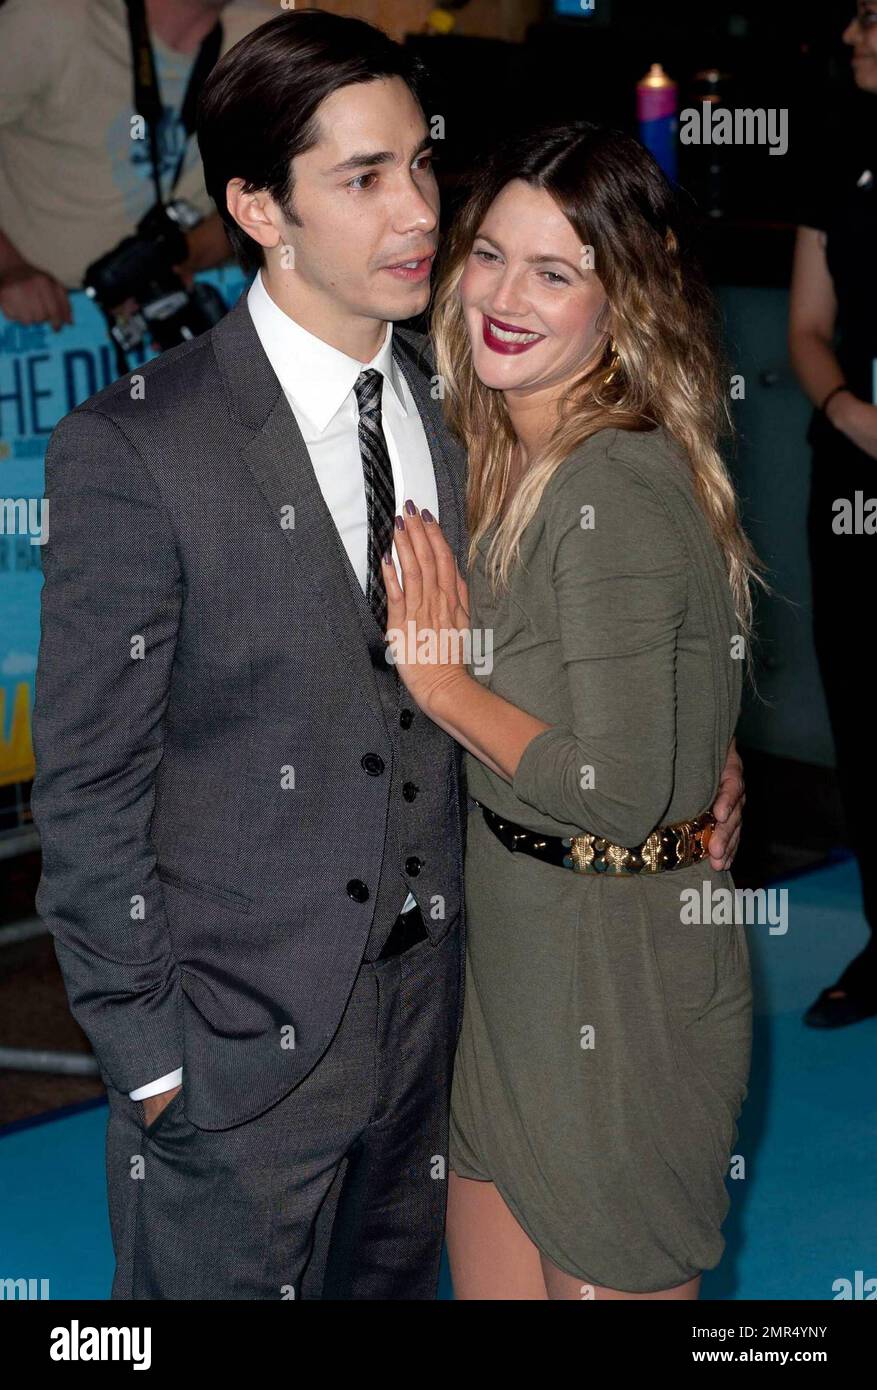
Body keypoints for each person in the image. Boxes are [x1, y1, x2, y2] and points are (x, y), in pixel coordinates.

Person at [30, 11, 745, 1300]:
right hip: (238, 1058)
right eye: (362, 179)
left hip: (456, 1032)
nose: (416, 210)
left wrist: (702, 747)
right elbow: (85, 791)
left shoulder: (473, 409)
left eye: (420, 163)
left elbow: (590, 648)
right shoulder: (139, 448)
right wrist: (153, 1060)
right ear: (257, 207)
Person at [380, 121, 761, 1299]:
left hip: (622, 975)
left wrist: (441, 685)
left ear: (624, 301)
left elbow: (617, 783)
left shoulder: (608, 485)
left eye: (555, 271)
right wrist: (709, 738)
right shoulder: (497, 446)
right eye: (491, 254)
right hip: (516, 948)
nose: (504, 295)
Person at [789, 0, 877, 1028]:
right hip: (852, 461)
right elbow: (808, 325)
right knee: (862, 701)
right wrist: (845, 409)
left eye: (869, 18)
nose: (852, 38)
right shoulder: (833, 146)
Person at [0, 0, 263, 331]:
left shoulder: (264, 37)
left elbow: (276, 195)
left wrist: (184, 260)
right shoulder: (50, 17)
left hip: (174, 320)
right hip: (34, 329)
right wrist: (8, 267)